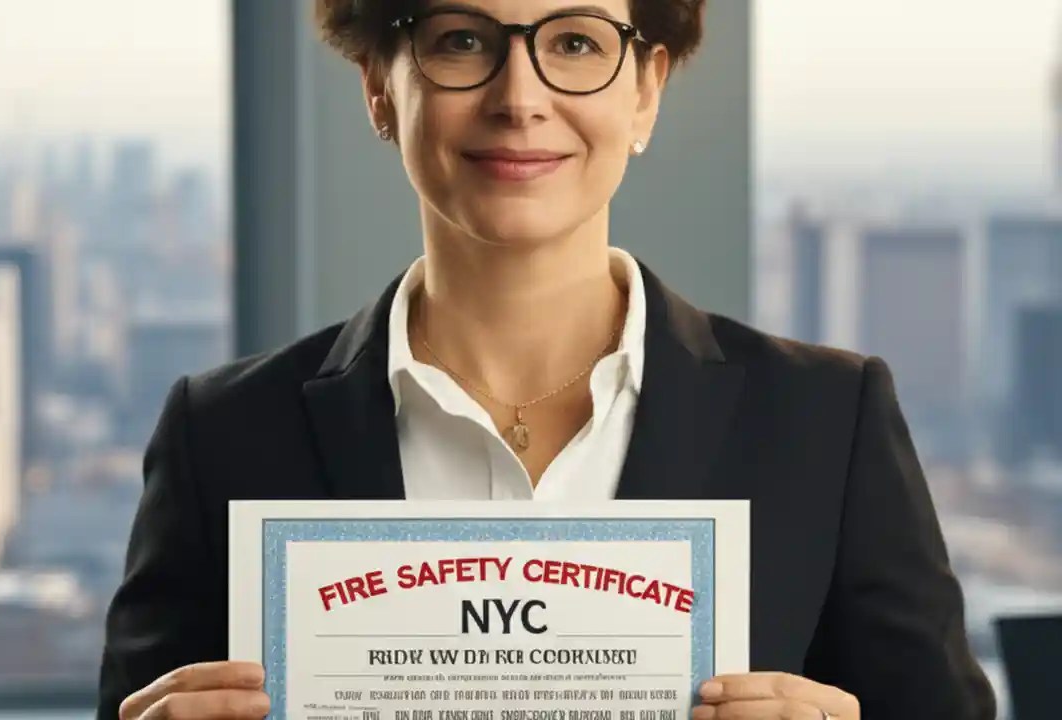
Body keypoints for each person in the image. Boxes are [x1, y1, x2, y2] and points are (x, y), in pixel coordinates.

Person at [97, 1, 996, 718]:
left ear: (646, 90)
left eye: (574, 42)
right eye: (460, 40)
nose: (520, 97)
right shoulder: (221, 437)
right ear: (379, 85)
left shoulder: (826, 422)